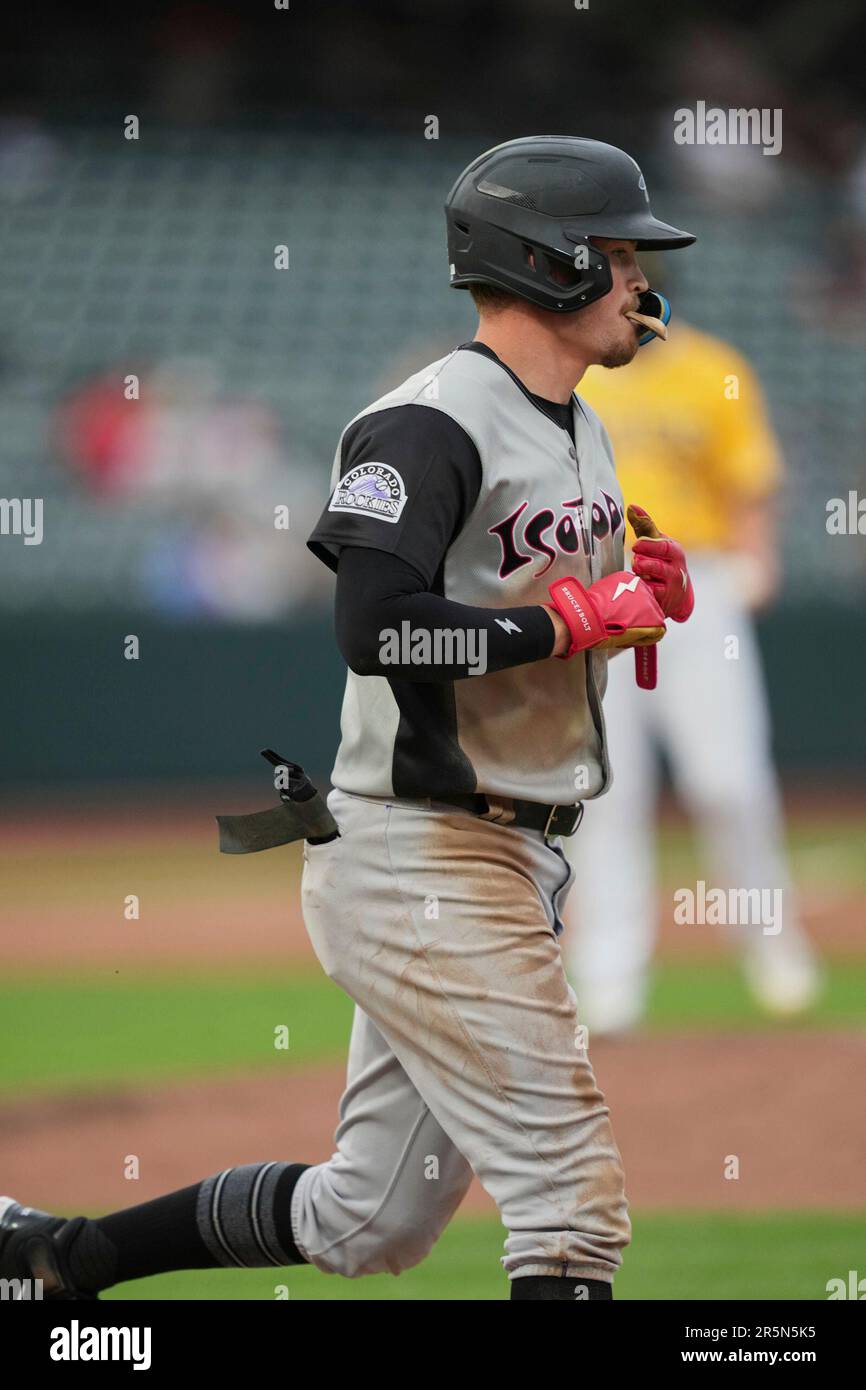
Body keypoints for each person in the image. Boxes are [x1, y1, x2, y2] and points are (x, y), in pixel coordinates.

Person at [0, 136, 695, 1302]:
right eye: (620, 254)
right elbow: (376, 628)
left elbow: (525, 608)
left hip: (503, 848)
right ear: (552, 263)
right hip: (425, 850)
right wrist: (564, 624)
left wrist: (626, 604)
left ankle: (52, 1261)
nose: (641, 280)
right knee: (571, 1204)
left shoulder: (577, 422)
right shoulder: (426, 422)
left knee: (367, 1215)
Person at [562, 295, 822, 1035]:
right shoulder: (575, 374)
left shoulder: (712, 370)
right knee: (606, 789)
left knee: (729, 780)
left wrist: (757, 556)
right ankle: (608, 979)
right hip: (600, 585)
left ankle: (775, 952)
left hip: (697, 581)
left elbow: (749, 480)